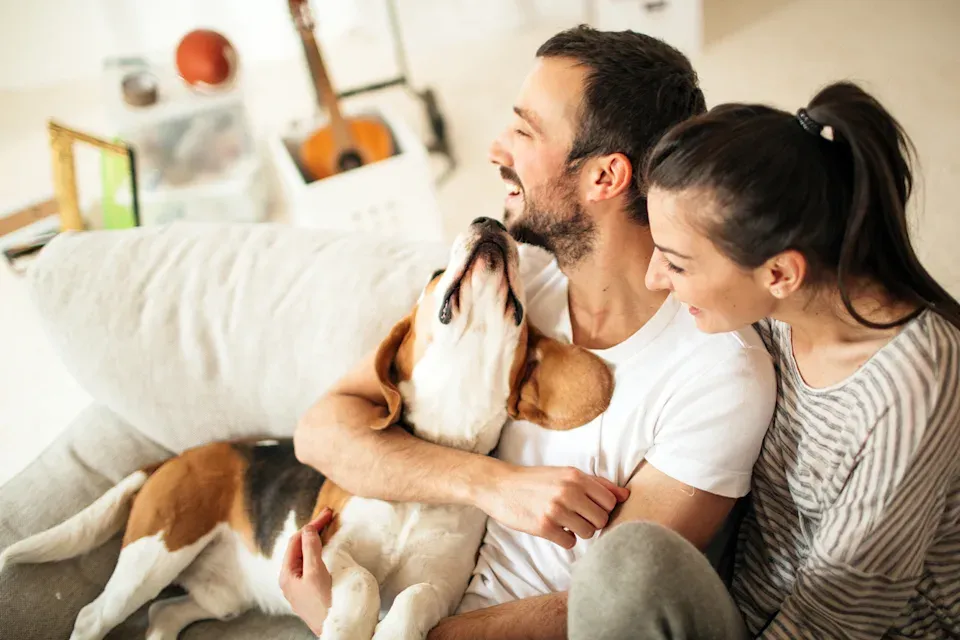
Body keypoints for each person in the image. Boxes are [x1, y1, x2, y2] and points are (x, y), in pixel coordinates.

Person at [283, 25, 778, 639]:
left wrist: (351, 627)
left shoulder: (719, 374)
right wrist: (493, 485)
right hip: (402, 597)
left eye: (524, 130)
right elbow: (320, 430)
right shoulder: (516, 281)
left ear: (605, 178)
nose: (495, 148)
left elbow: (604, 609)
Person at [565, 81, 960, 639]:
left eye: (676, 264)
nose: (656, 277)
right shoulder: (773, 310)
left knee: (624, 568)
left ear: (780, 274)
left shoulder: (914, 379)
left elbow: (837, 620)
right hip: (744, 596)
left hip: (836, 629)